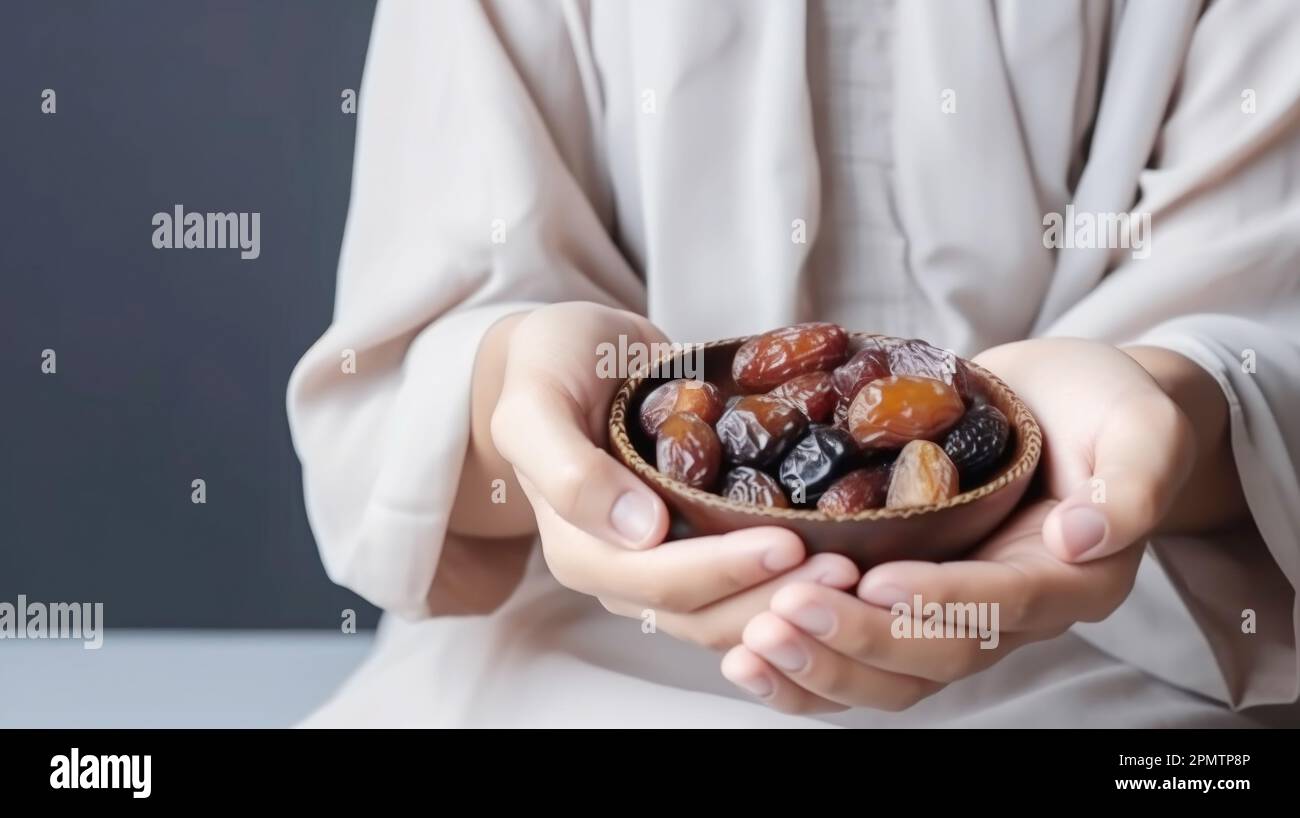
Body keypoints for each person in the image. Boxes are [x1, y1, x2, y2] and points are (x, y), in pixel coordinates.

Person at [286, 0, 1300, 726]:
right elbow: (394, 422)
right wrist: (534, 403)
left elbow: (1261, 346)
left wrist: (1166, 414)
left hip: (1123, 667)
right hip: (571, 658)